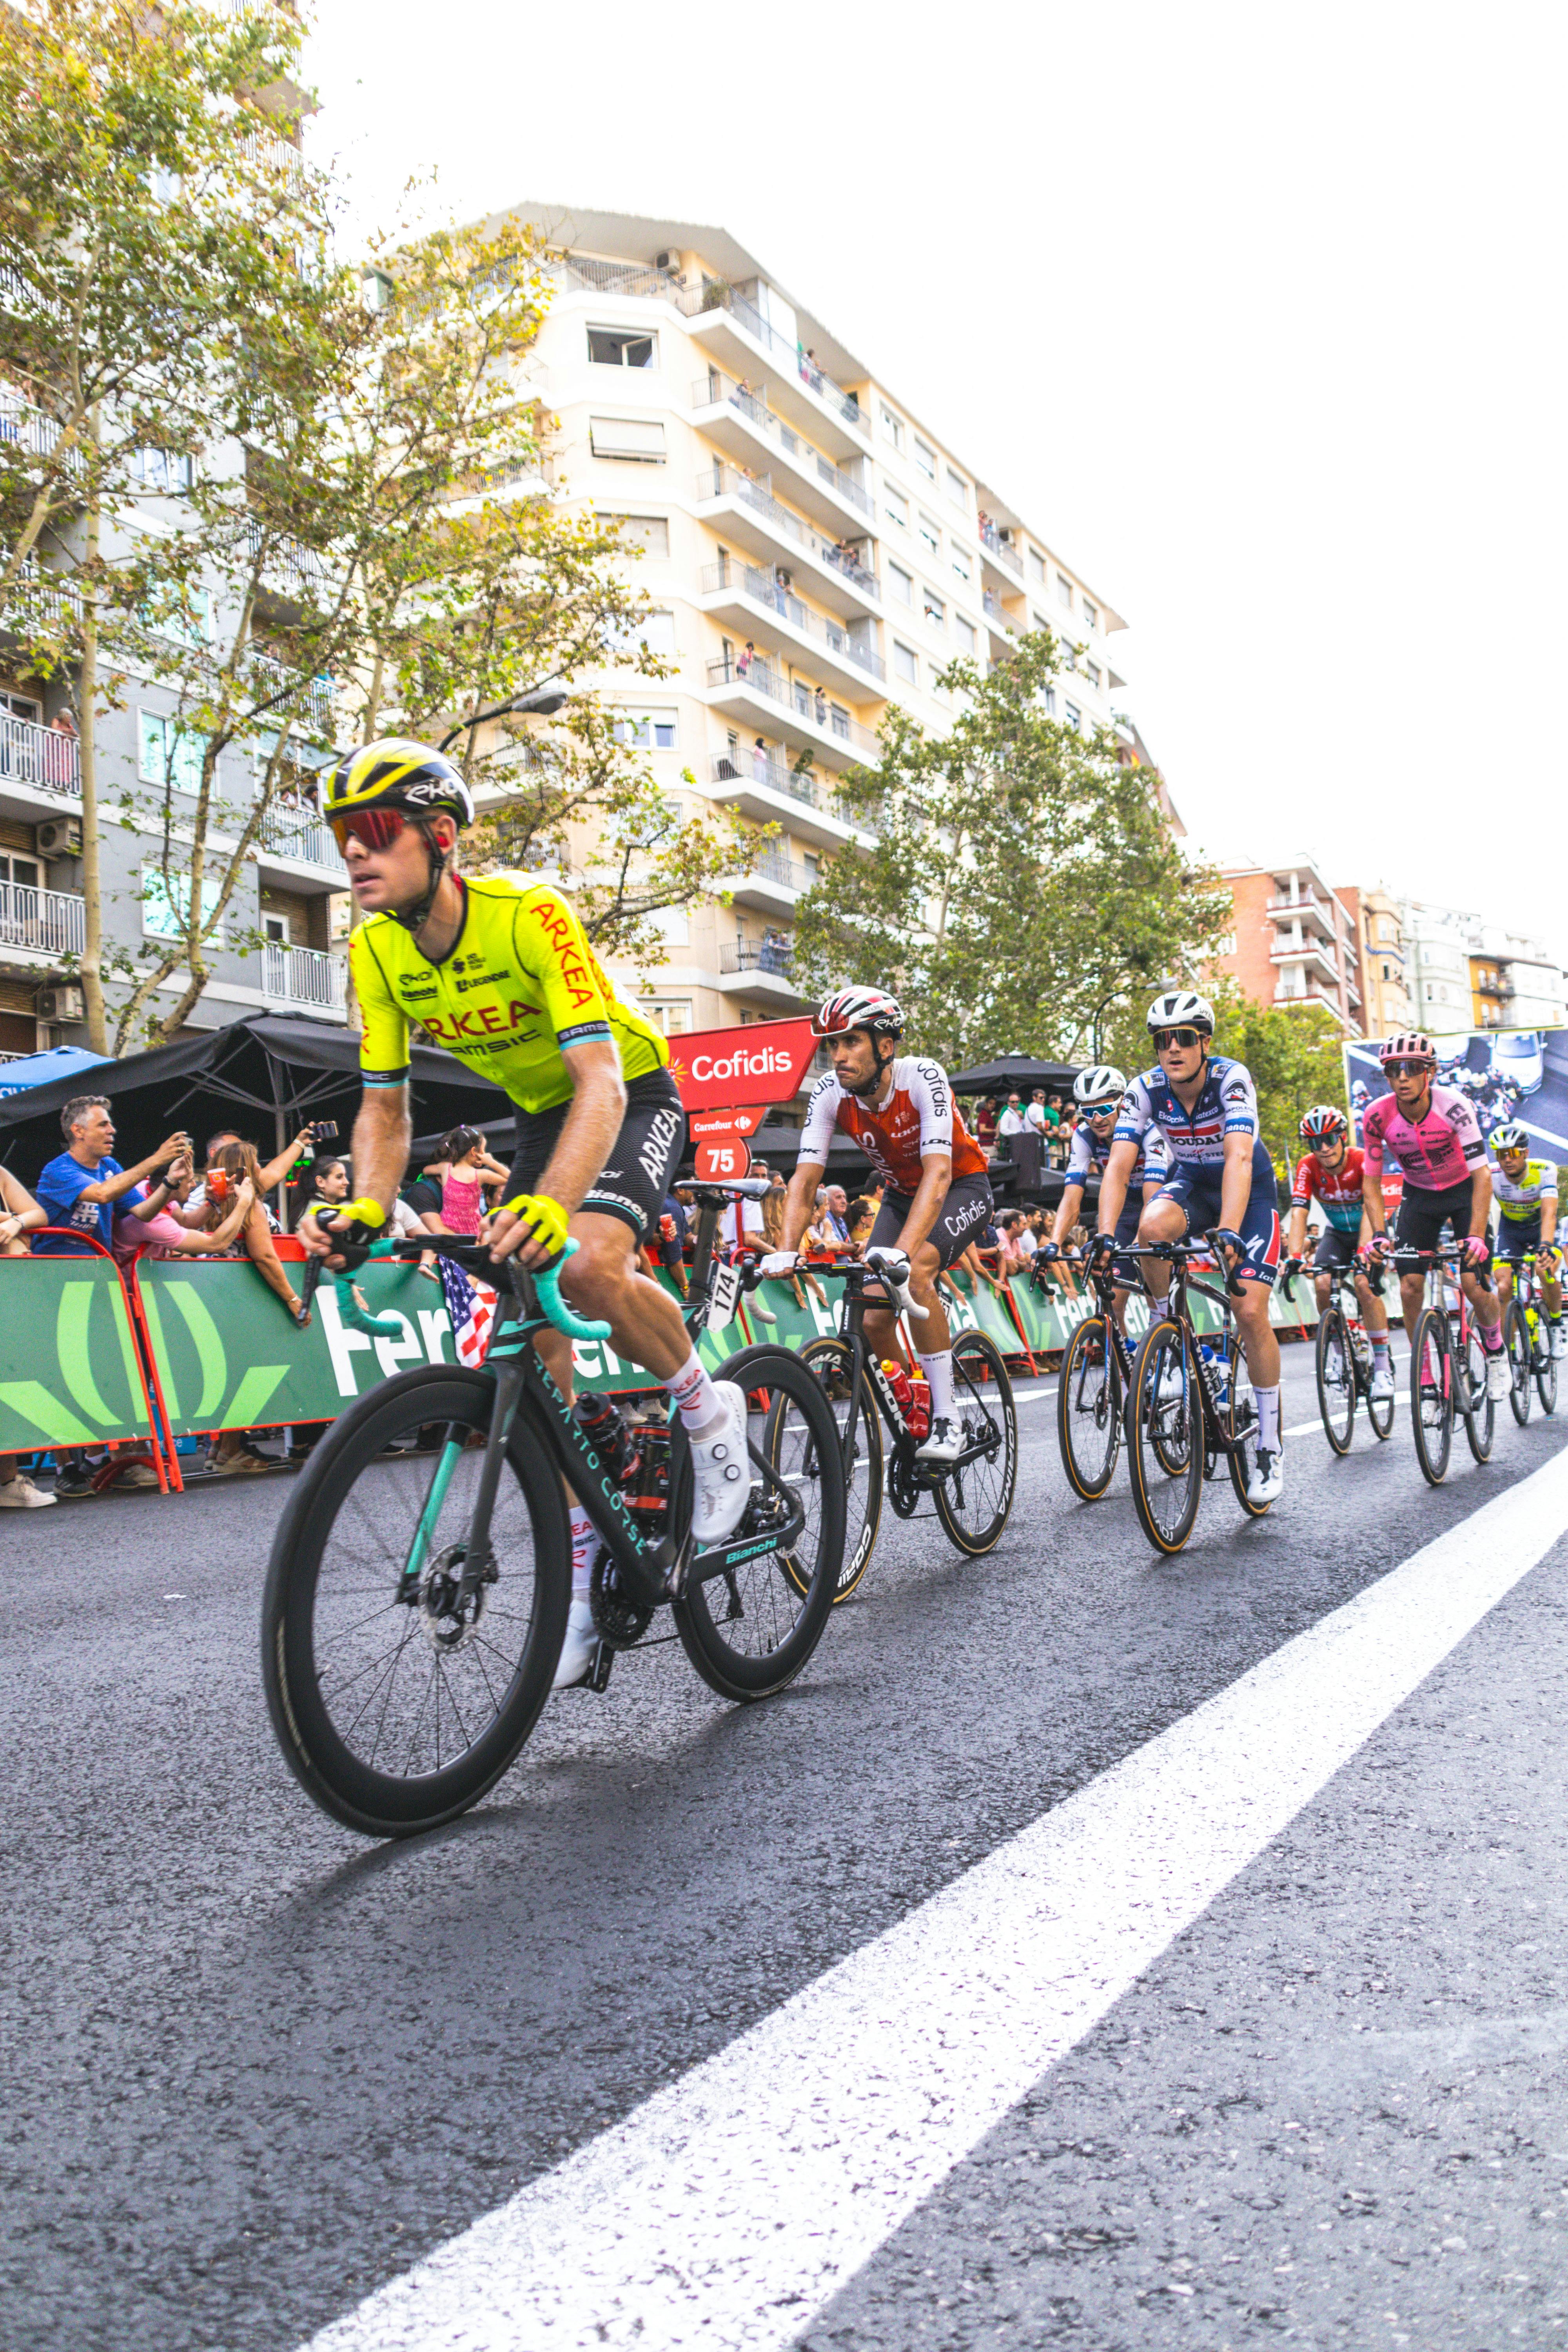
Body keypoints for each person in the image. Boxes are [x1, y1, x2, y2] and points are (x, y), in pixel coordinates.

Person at [310, 737, 750, 1691]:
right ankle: (585, 1572)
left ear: (440, 837)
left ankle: (708, 1412)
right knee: (528, 1335)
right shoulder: (375, 948)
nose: (352, 851)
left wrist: (551, 1207)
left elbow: (600, 1082)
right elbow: (384, 1107)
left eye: (374, 830)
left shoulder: (528, 914)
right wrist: (368, 1205)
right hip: (542, 1115)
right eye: (343, 833)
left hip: (626, 1090)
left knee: (582, 1263)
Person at [760, 987, 993, 1462]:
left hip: (961, 1188)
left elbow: (938, 1173)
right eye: (833, 1044)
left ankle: (947, 1418)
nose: (838, 1056)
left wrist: (902, 1254)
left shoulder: (922, 1077)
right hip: (902, 1198)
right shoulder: (829, 1093)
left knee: (918, 1270)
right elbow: (804, 1181)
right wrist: (786, 1248)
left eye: (851, 1042)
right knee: (873, 1318)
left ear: (885, 1046)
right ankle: (913, 1405)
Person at [1093, 992, 1286, 1505]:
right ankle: (1168, 1330)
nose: (1172, 1049)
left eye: (1183, 1038)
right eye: (1162, 1041)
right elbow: (1118, 1166)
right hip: (1194, 1184)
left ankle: (1269, 1444)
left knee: (1249, 1310)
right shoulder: (1145, 1089)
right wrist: (1105, 1234)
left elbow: (1239, 1159)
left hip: (1248, 1192)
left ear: (1204, 1042)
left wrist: (1228, 1231)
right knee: (1150, 1231)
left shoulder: (1231, 1079)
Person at [1360, 1032, 1508, 1401]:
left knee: (1474, 1285)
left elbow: (1482, 1176)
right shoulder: (1376, 1116)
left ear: (1431, 1071)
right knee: (1410, 1287)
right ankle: (1426, 1381)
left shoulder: (1454, 1106)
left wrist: (1476, 1236)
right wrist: (1378, 1234)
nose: (1403, 1077)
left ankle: (1496, 1350)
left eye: (1412, 1068)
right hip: (1420, 1196)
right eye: (1393, 1070)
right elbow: (1371, 1184)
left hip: (1463, 1192)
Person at [1042, 1064, 1168, 1337]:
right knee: (1111, 1299)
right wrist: (1054, 1243)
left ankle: (1168, 1336)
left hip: (1161, 1201)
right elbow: (1072, 1197)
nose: (1096, 1119)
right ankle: (1125, 1353)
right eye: (1088, 1112)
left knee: (1155, 1287)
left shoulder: (1148, 1128)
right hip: (1124, 1208)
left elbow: (1153, 1194)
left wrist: (1142, 1238)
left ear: (1123, 1103)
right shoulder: (1083, 1135)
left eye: (1104, 1109)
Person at [1282, 1105, 1394, 1398]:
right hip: (1337, 1233)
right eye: (1315, 1142)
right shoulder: (1308, 1166)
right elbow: (1299, 1212)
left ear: (1342, 1137)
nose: (1324, 1148)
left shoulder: (1361, 1159)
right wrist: (1295, 1256)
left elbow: (1371, 1206)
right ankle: (1339, 1354)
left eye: (1329, 1139)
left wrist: (1365, 1250)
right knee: (1321, 1282)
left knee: (1363, 1285)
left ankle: (1383, 1368)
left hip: (1368, 1228)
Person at [34, 1096, 191, 1256]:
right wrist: (156, 1160)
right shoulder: (58, 1170)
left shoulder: (109, 1165)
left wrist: (170, 1181)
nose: (112, 1130)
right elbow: (102, 1194)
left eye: (110, 1124)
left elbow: (145, 1213)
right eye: (103, 1125)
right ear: (79, 1131)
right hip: (57, 1263)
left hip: (100, 1262)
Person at [1486, 1121, 1565, 1355]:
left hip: (1541, 1227)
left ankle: (1557, 1324)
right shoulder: (1491, 1174)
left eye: (1512, 1153)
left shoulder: (1544, 1169)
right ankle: (1508, 1354)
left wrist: (1546, 1245)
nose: (1507, 1160)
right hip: (1511, 1230)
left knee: (1544, 1269)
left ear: (1526, 1153)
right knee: (1503, 1286)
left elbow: (1550, 1213)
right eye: (1501, 1155)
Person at [0, 1163, 54, 1504]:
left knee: (7, 1384)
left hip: (10, 1292)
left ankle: (8, 1482)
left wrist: (15, 1223)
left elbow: (39, 1214)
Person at [422, 1125, 508, 1238]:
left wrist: (445, 1179)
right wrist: (492, 1162)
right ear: (473, 1152)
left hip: (448, 1230)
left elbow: (426, 1170)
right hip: (472, 1233)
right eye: (483, 1150)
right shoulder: (481, 1175)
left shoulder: (445, 1168)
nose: (484, 1154)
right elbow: (511, 1179)